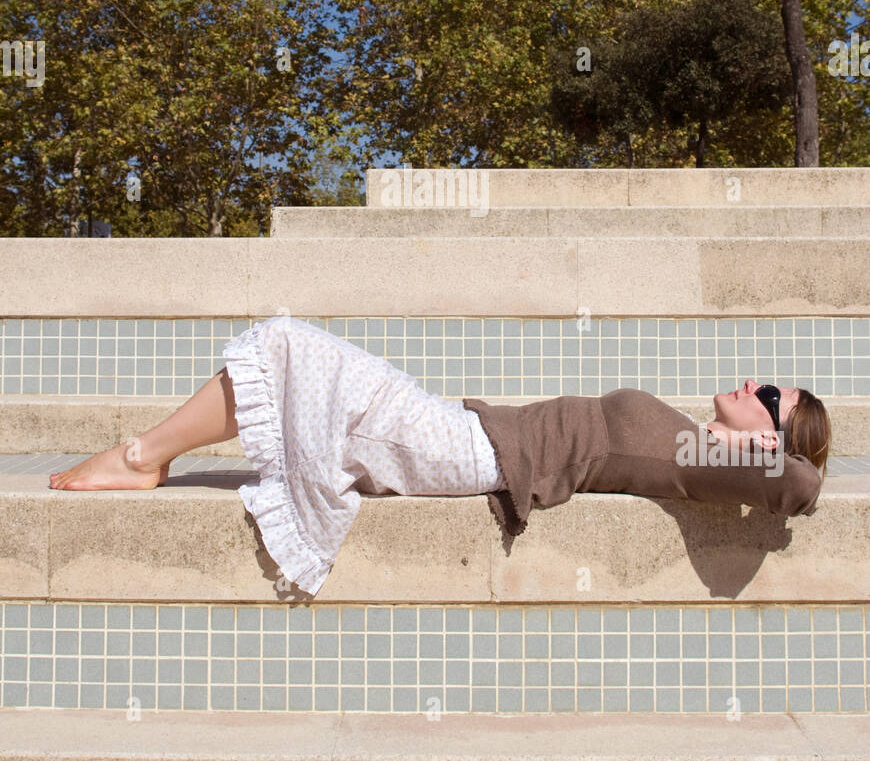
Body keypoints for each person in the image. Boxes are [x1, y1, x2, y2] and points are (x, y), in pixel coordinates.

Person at [48, 315, 831, 596]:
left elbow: (799, 481)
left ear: (768, 436)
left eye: (773, 398)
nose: (756, 382)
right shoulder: (692, 443)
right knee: (300, 358)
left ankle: (142, 455)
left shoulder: (702, 456)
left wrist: (773, 463)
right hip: (465, 435)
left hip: (469, 451)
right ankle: (146, 453)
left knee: (290, 344)